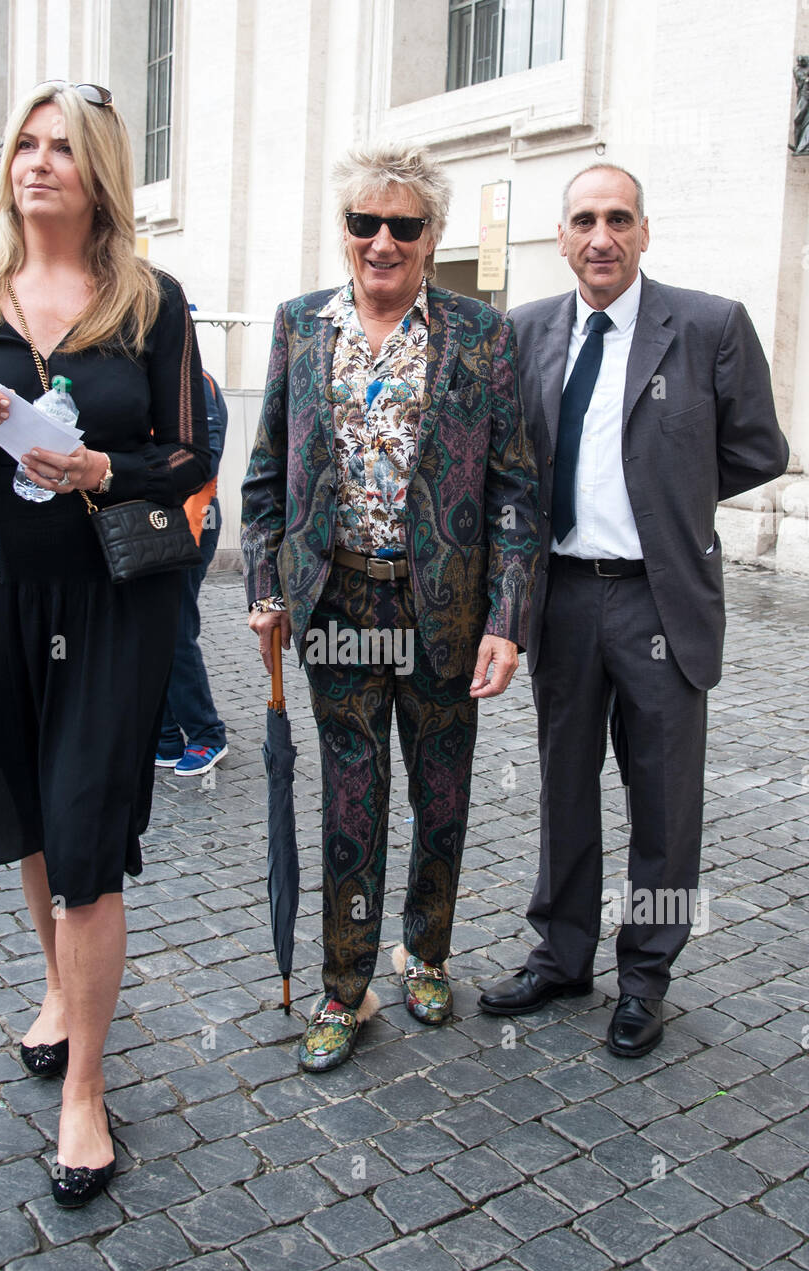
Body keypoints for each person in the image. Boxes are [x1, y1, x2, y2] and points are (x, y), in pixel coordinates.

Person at [0, 81, 210, 1203]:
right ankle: (55, 985)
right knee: (33, 810)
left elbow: (187, 452)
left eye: (61, 150)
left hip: (109, 608)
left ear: (97, 174)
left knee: (84, 829)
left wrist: (97, 469)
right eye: (25, 145)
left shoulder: (149, 302)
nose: (37, 163)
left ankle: (85, 1089)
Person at [479, 164, 789, 1057]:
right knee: (563, 788)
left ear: (643, 231)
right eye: (583, 220)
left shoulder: (705, 324)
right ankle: (562, 953)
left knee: (662, 802)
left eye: (618, 218)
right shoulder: (526, 330)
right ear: (563, 236)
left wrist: (668, 505)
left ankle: (646, 976)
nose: (600, 237)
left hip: (660, 598)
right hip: (563, 597)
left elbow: (757, 448)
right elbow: (508, 462)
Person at [242, 141, 538, 1073]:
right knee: (350, 802)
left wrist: (505, 618)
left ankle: (429, 952)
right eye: (363, 223)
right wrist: (264, 587)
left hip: (441, 608)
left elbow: (514, 492)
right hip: (337, 601)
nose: (381, 240)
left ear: (430, 235)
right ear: (343, 231)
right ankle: (342, 988)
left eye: (402, 226)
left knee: (440, 796)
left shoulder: (478, 334)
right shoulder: (298, 327)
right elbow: (262, 482)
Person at [156, 369, 228, 776]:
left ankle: (206, 735)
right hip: (152, 520)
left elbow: (203, 460)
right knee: (155, 629)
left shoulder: (193, 380)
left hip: (190, 521)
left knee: (176, 629)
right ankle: (165, 736)